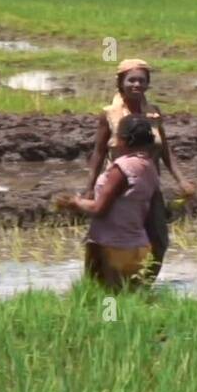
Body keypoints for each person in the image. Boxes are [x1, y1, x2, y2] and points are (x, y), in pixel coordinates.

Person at [85, 58, 194, 281]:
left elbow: (164, 150)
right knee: (110, 239)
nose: (136, 85)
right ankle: (101, 284)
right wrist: (88, 188)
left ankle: (142, 285)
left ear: (148, 84)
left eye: (141, 81)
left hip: (148, 186)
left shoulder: (153, 113)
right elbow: (98, 153)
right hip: (118, 186)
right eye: (131, 80)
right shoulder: (109, 114)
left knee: (159, 239)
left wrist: (181, 180)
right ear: (120, 83)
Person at [62, 114, 161, 290]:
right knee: (129, 300)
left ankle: (109, 318)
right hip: (138, 246)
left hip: (112, 248)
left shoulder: (122, 168)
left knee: (108, 301)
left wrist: (75, 202)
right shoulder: (149, 166)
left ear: (121, 139)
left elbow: (99, 208)